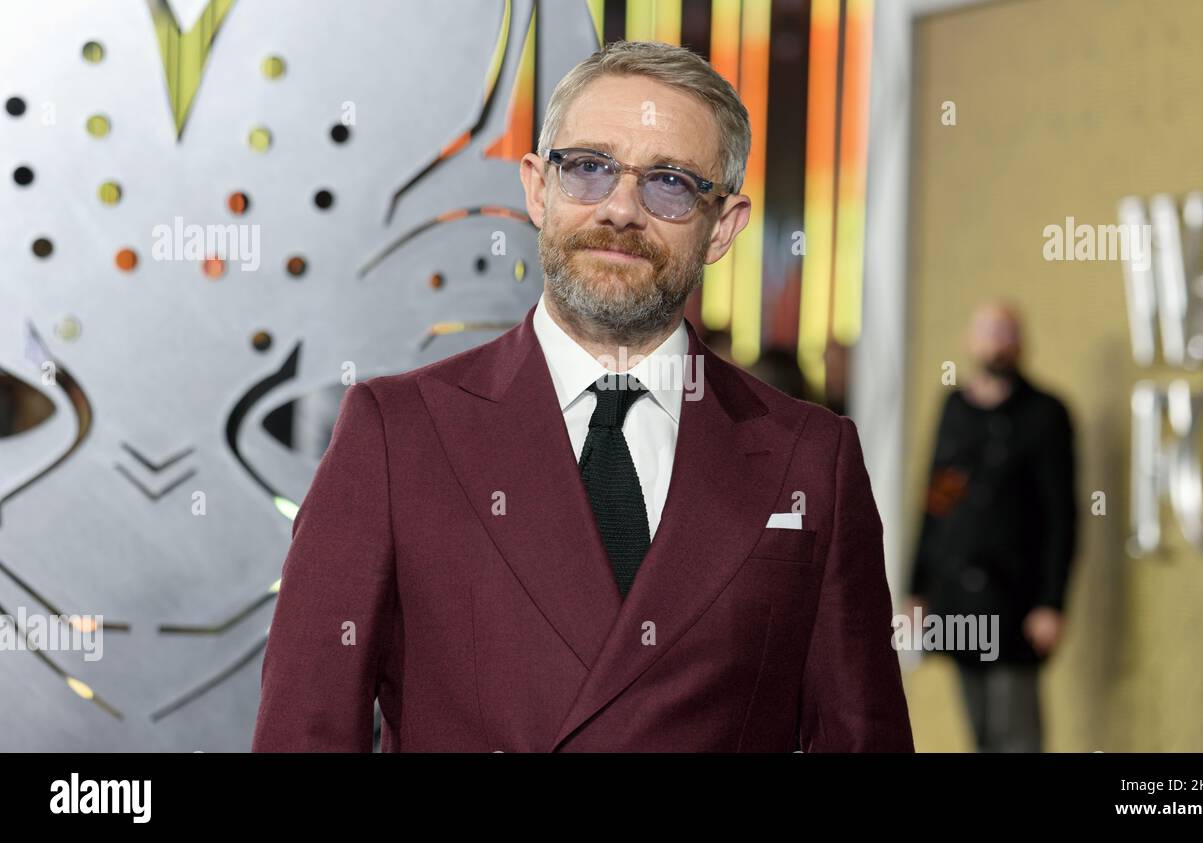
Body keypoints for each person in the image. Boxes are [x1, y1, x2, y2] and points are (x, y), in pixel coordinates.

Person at [252, 40, 912, 752]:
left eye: (669, 182)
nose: (621, 209)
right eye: (590, 168)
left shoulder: (808, 457)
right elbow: (305, 730)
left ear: (722, 226)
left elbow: (861, 735)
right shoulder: (397, 434)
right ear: (538, 189)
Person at [907, 302, 1077, 752]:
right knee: (978, 731)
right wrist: (916, 590)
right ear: (971, 341)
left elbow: (1063, 515)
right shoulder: (956, 409)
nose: (997, 342)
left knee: (1016, 735)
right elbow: (935, 501)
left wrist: (1052, 601)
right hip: (957, 596)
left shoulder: (1046, 415)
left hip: (1017, 602)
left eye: (1006, 332)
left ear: (1021, 343)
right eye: (988, 332)